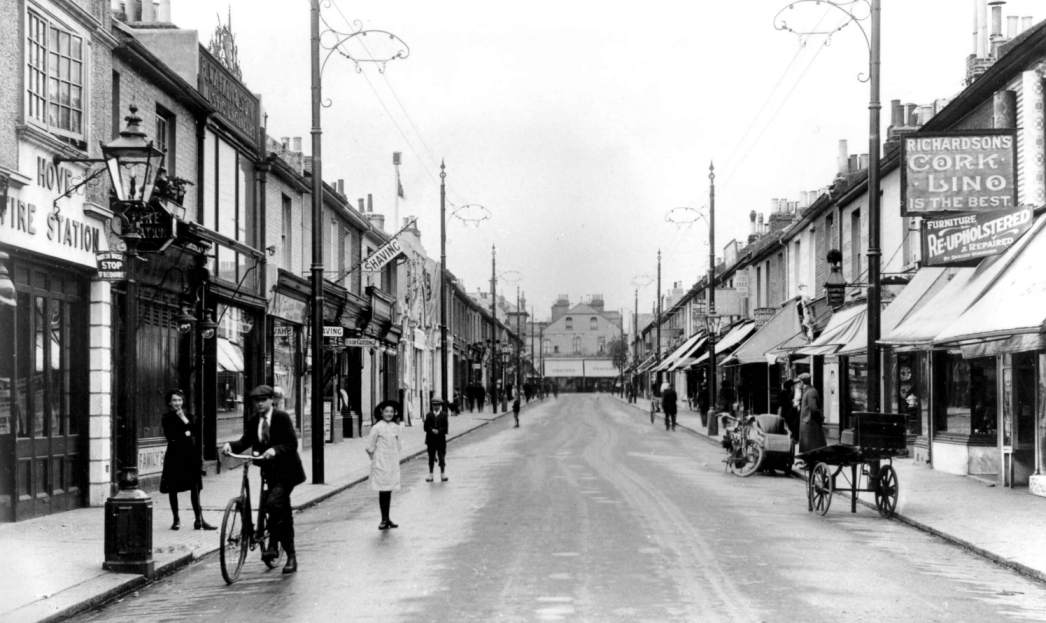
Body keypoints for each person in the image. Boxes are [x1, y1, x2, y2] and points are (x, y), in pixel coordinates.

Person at [222, 385, 306, 574]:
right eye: (256, 401)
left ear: (272, 401)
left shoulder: (282, 418)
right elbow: (244, 442)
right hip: (269, 472)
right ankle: (276, 546)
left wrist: (274, 450)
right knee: (278, 509)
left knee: (274, 504)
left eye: (263, 400)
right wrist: (229, 446)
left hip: (287, 472)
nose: (259, 404)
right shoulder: (254, 421)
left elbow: (292, 443)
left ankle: (284, 552)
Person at [160, 389, 215, 531]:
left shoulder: (188, 416)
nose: (177, 403)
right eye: (174, 400)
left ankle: (199, 520)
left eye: (179, 400)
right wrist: (186, 432)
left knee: (195, 487)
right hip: (174, 455)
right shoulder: (166, 417)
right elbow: (171, 436)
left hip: (190, 455)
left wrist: (184, 419)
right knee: (173, 488)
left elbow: (196, 432)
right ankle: (176, 519)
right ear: (169, 402)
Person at [367, 399, 403, 530]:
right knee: (383, 490)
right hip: (381, 464)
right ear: (381, 412)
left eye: (391, 412)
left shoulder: (396, 427)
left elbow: (399, 445)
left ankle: (388, 518)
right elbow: (370, 446)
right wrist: (376, 459)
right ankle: (383, 519)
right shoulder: (377, 427)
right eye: (386, 411)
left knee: (389, 490)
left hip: (392, 463)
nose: (389, 414)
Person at [797, 373, 827, 454]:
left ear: (803, 382)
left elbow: (813, 408)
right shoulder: (808, 391)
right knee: (810, 447)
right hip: (808, 422)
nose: (800, 383)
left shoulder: (810, 391)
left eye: (800, 381)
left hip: (810, 423)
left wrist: (819, 417)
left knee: (811, 447)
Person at [424, 398, 449, 482]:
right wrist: (431, 430)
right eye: (435, 405)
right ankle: (431, 474)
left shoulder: (444, 415)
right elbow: (425, 427)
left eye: (438, 405)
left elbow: (446, 428)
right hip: (431, 440)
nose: (436, 407)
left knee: (441, 457)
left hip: (440, 440)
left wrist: (439, 431)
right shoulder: (429, 415)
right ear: (432, 406)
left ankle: (442, 474)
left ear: (440, 406)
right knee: (431, 457)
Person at [778, 379, 800, 444]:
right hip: (790, 412)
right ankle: (793, 438)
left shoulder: (783, 392)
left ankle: (789, 437)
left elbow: (781, 403)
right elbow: (788, 402)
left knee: (786, 425)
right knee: (791, 425)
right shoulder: (790, 392)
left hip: (786, 412)